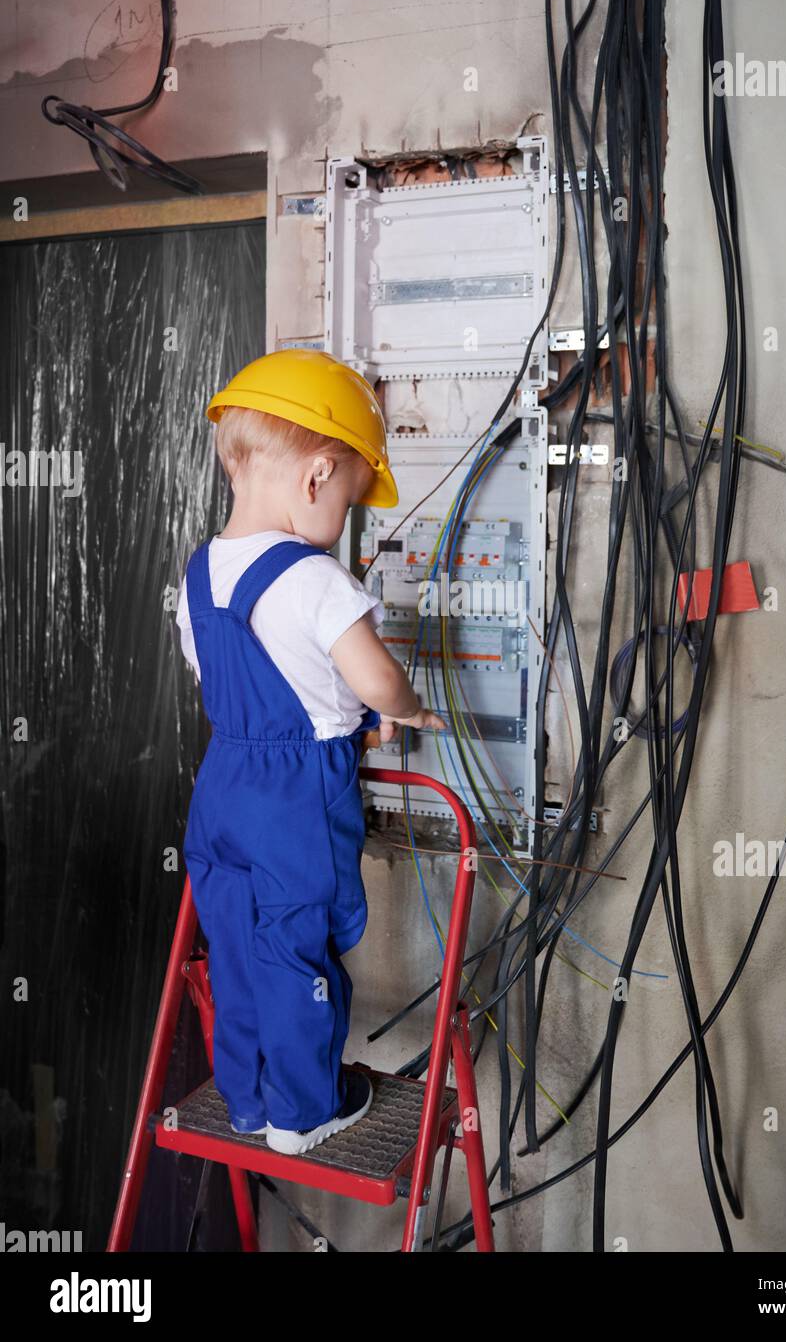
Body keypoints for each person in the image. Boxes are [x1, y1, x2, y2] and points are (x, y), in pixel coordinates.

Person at [175, 350, 445, 1155]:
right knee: (297, 946)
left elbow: (253, 683)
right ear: (319, 476)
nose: (349, 518)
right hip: (293, 799)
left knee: (238, 942)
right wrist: (403, 709)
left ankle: (250, 1101)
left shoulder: (199, 576)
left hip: (222, 787)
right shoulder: (312, 576)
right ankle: (302, 1112)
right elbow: (374, 675)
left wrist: (343, 716)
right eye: (354, 501)